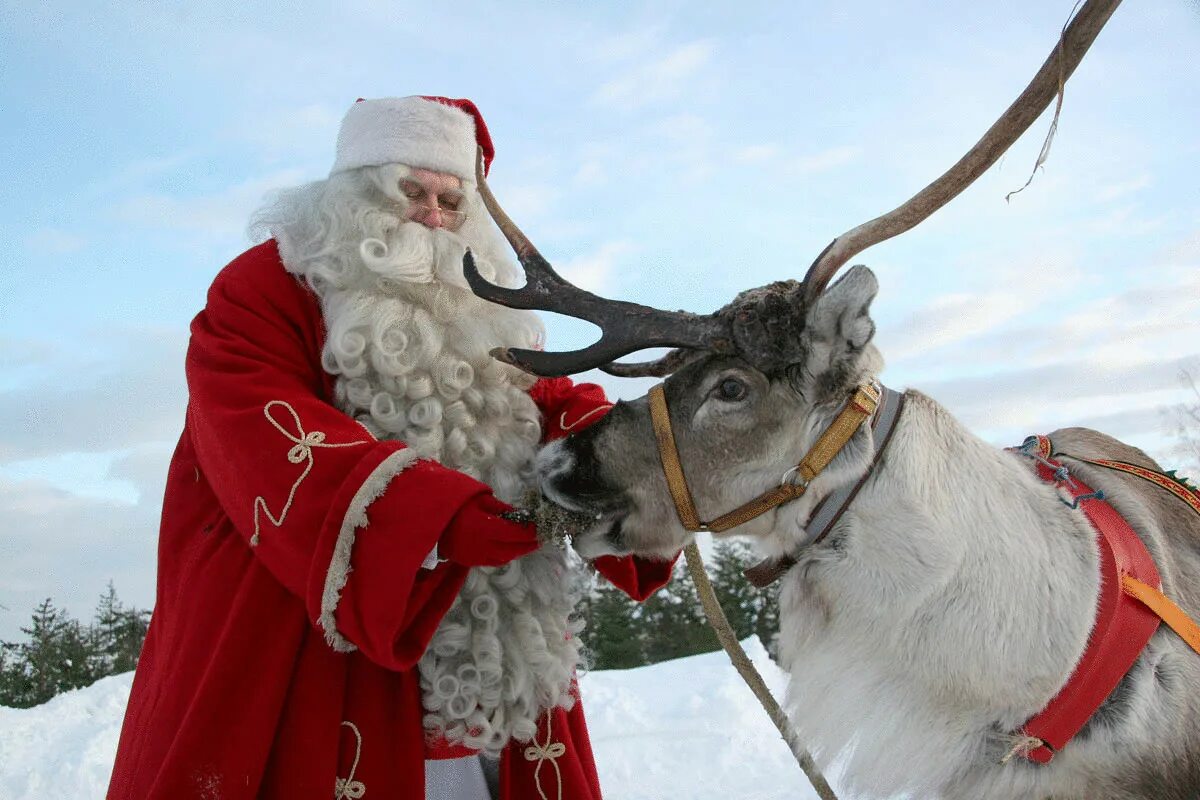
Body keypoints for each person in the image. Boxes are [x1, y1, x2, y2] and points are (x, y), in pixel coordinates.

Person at [106, 95, 675, 800]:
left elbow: (546, 404)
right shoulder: (263, 290)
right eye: (412, 193)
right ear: (352, 193)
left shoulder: (488, 307)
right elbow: (257, 427)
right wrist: (438, 519)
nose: (433, 217)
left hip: (499, 664)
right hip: (316, 643)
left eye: (451, 200)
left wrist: (639, 454)